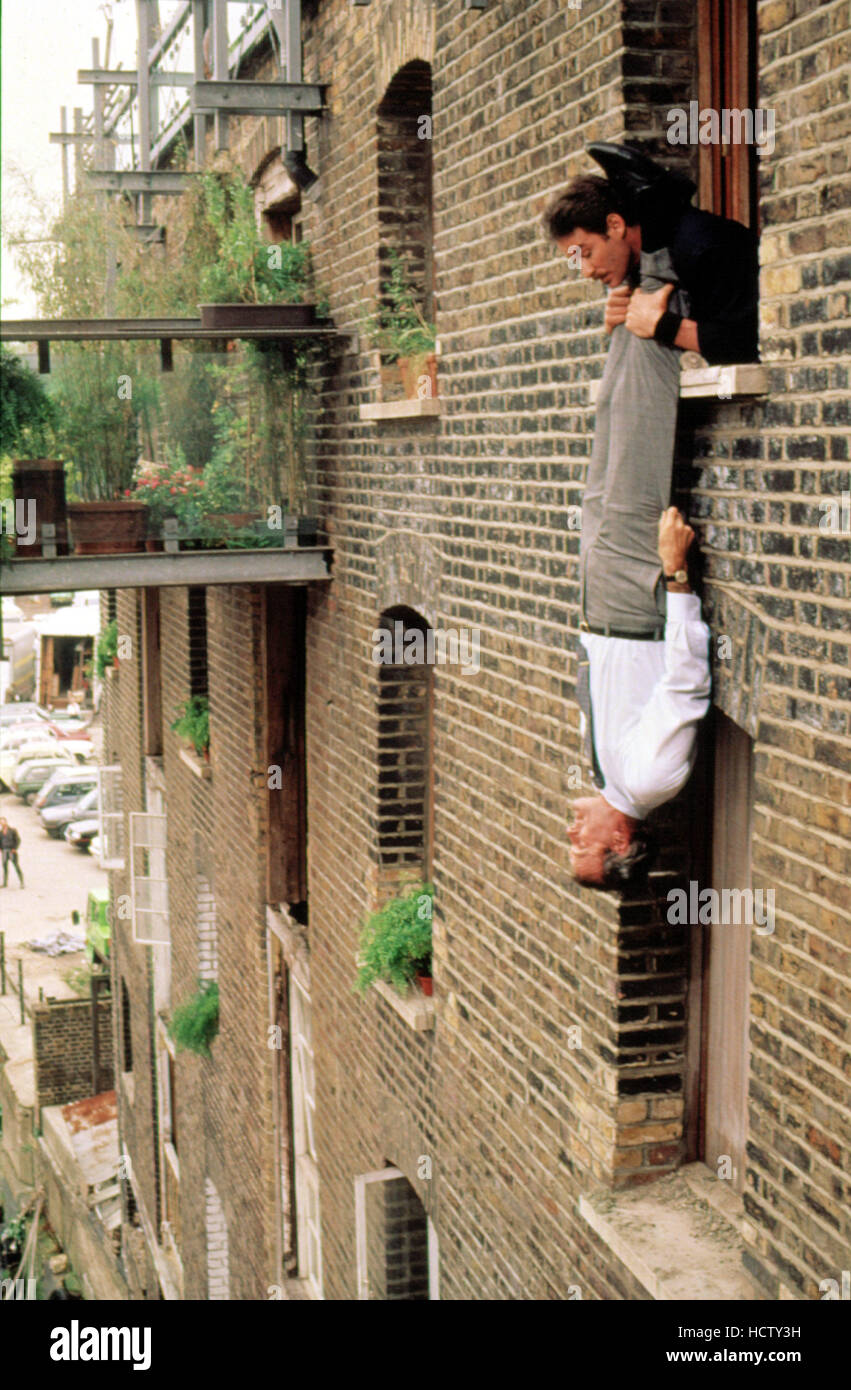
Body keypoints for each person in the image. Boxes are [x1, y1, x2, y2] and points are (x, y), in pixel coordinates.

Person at [542, 144, 759, 887]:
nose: (573, 829)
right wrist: (674, 574)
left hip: (602, 597)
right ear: (619, 845)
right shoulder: (651, 780)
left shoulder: (614, 779)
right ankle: (658, 246)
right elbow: (685, 682)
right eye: (583, 843)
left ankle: (644, 271)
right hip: (635, 595)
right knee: (634, 425)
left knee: (610, 420)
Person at [0, 818, 24, 888]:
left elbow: (18, 840)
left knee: (16, 866)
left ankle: (22, 882)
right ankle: (5, 883)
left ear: (6, 822)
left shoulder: (13, 830)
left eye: (3, 822)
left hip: (12, 851)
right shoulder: (1, 833)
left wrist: (15, 848)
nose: (2, 824)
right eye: (1, 823)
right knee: (5, 867)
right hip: (4, 851)